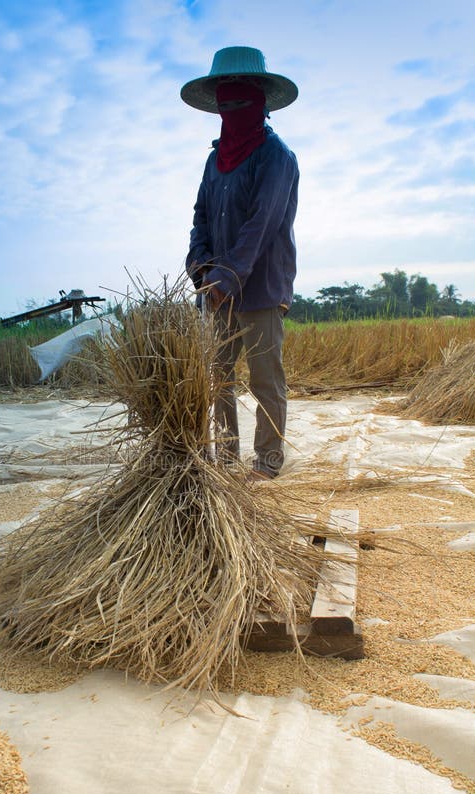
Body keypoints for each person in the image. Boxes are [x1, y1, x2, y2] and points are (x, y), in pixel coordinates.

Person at [182, 46, 299, 480]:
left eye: (240, 104)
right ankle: (226, 457)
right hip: (216, 286)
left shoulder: (276, 157)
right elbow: (201, 217)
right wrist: (199, 262)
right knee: (218, 375)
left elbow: (261, 225)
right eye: (224, 105)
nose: (231, 112)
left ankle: (267, 461)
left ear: (261, 104)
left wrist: (226, 277)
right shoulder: (215, 161)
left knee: (266, 377)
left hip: (262, 285)